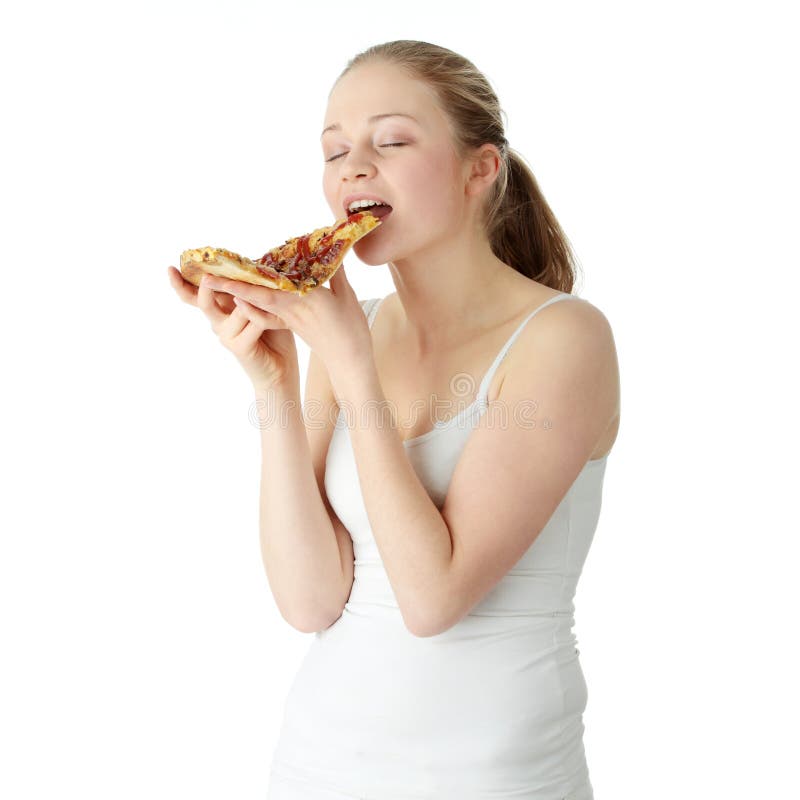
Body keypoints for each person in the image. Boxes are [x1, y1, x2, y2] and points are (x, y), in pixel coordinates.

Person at [168, 39, 620, 800]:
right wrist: (276, 382)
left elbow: (432, 598)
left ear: (481, 169)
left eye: (392, 140)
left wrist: (351, 368)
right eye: (334, 150)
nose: (353, 167)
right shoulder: (356, 326)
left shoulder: (563, 339)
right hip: (317, 768)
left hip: (496, 781)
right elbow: (309, 600)